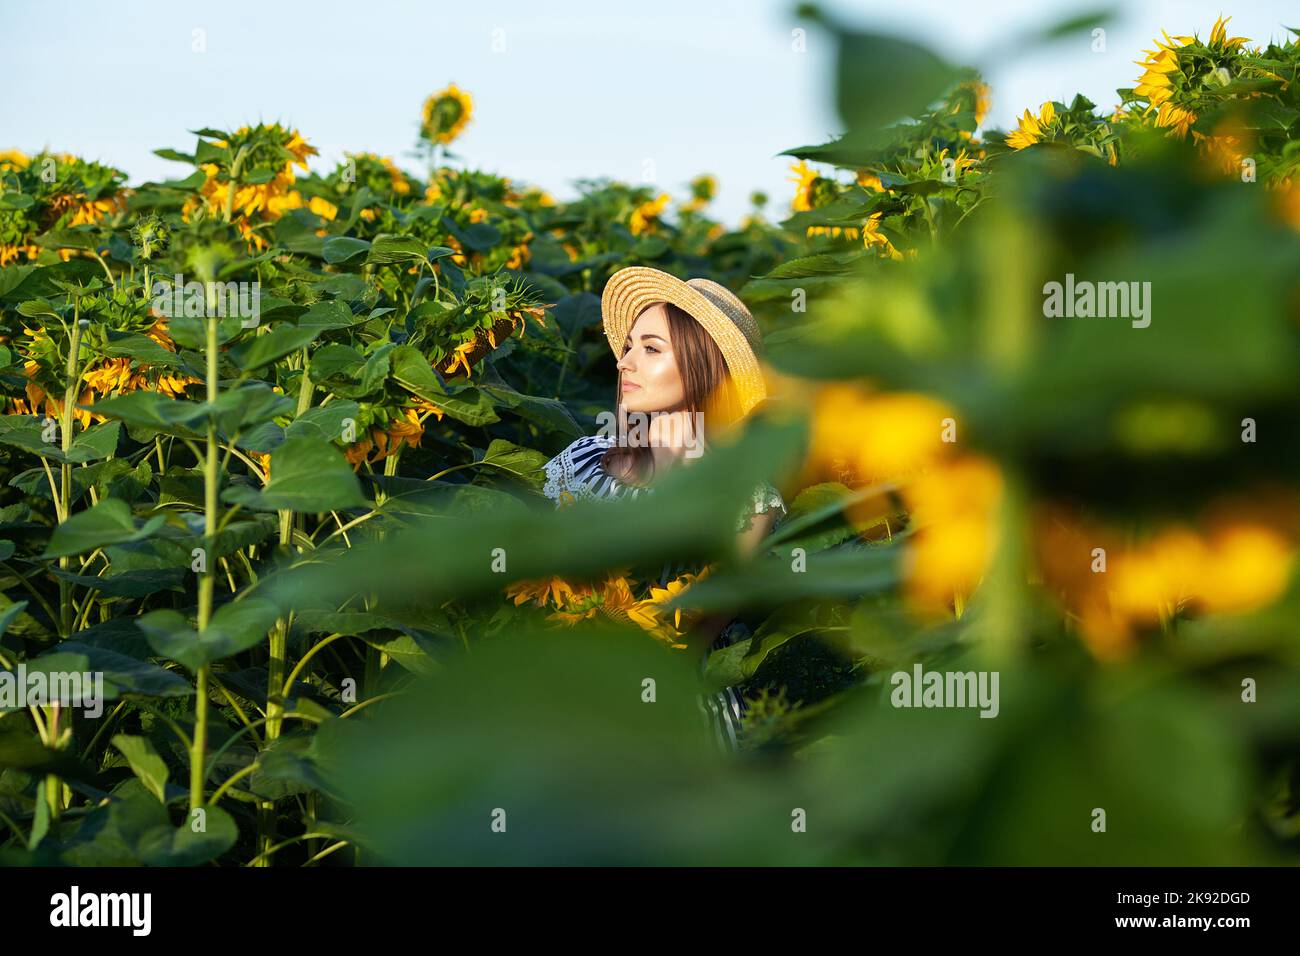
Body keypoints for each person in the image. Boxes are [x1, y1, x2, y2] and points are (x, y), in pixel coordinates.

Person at [541, 266, 786, 752]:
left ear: (704, 365)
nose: (624, 363)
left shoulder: (746, 498)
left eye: (651, 349)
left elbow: (698, 631)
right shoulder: (582, 463)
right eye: (630, 346)